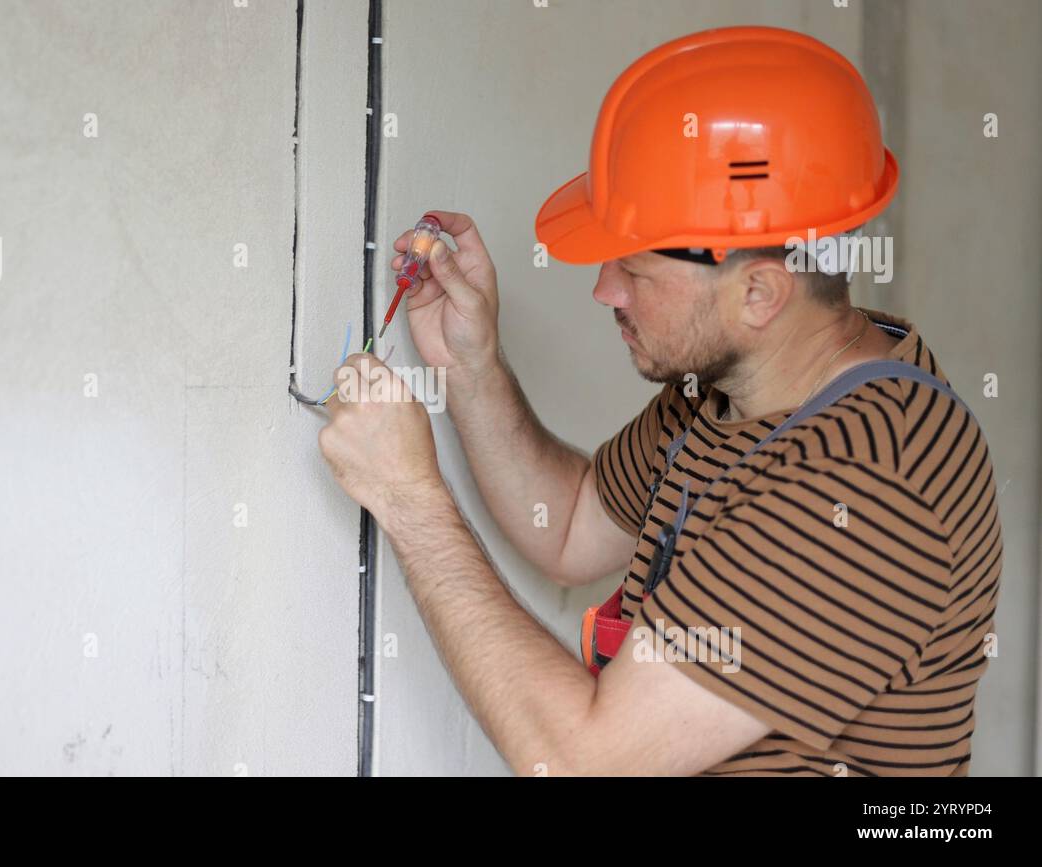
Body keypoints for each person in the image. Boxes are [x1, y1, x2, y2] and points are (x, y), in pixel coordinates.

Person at [316, 26, 1000, 776]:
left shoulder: (863, 487)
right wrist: (472, 364)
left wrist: (411, 500)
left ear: (760, 292)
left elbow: (583, 760)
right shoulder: (734, 389)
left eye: (634, 272)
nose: (603, 290)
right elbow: (572, 526)